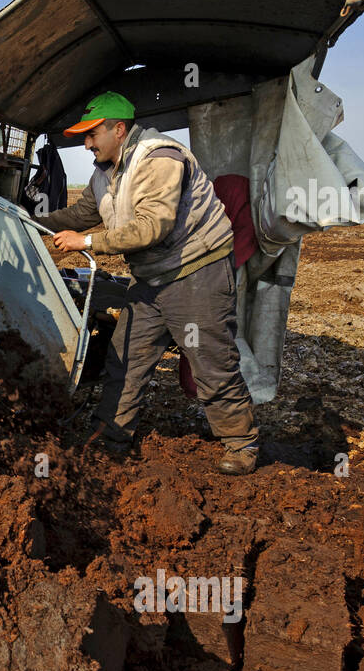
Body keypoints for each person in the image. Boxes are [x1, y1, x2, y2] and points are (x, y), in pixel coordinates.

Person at [38, 91, 259, 475]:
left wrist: (86, 242)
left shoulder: (160, 158)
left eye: (92, 135)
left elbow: (152, 227)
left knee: (210, 362)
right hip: (151, 278)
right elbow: (83, 212)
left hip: (195, 272)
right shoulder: (104, 171)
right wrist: (30, 218)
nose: (86, 144)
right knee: (126, 356)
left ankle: (241, 445)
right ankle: (110, 438)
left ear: (119, 130)